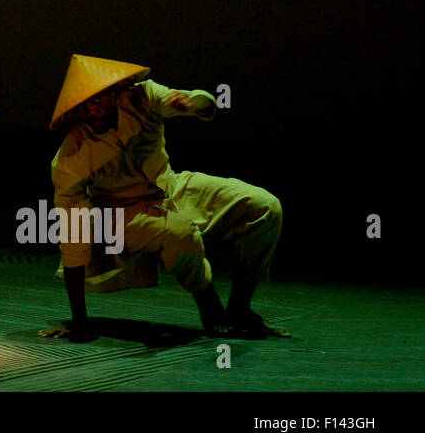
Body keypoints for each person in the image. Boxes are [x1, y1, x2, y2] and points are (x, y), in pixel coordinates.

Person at [39, 54, 289, 343]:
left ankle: (240, 308)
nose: (88, 111)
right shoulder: (71, 156)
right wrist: (79, 322)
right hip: (120, 212)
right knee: (179, 233)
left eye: (94, 101)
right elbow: (72, 231)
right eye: (81, 107)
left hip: (171, 187)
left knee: (264, 206)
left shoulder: (142, 98)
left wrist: (198, 103)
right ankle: (209, 305)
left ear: (114, 94)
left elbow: (177, 100)